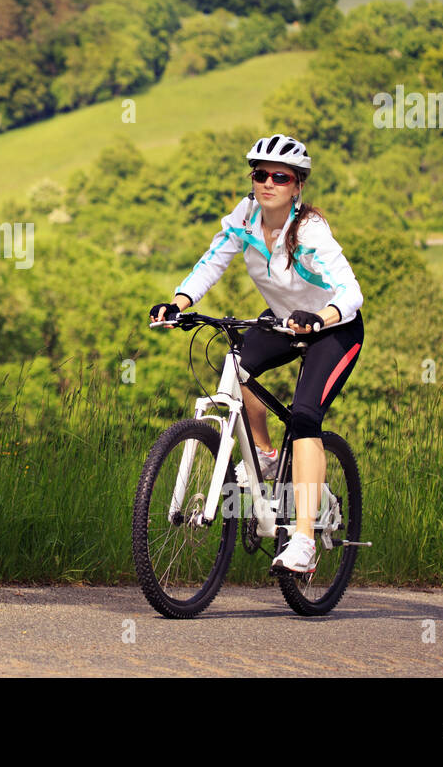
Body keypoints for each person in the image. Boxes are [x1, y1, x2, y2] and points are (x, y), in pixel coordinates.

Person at [148, 135, 364, 575]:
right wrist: (180, 302)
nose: (268, 182)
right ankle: (263, 455)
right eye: (260, 174)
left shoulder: (311, 231)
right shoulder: (244, 218)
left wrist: (321, 318)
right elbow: (212, 261)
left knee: (305, 416)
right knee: (235, 365)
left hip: (332, 328)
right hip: (282, 320)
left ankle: (303, 540)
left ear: (297, 185)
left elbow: (351, 291)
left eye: (280, 176)